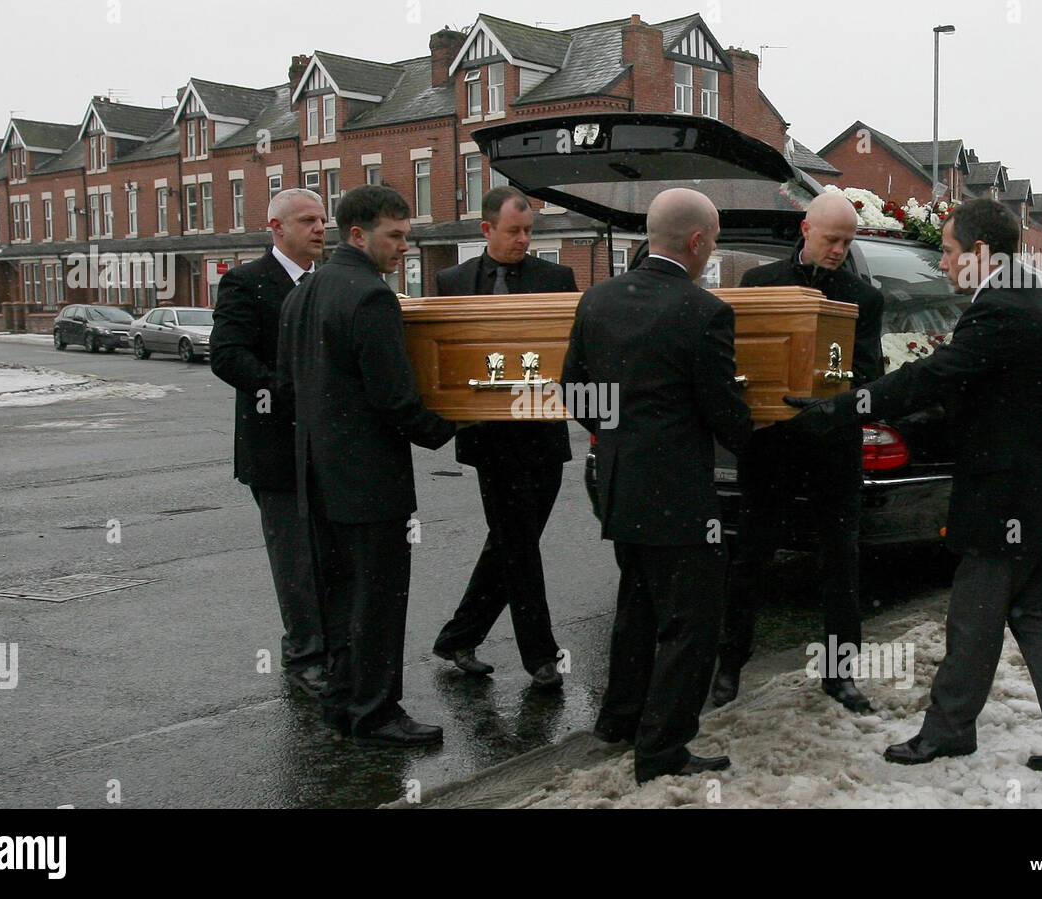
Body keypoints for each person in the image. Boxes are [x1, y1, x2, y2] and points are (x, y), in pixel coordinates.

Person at [785, 198, 1042, 776]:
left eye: (952, 250)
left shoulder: (1002, 310)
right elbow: (971, 394)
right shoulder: (1023, 302)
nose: (944, 262)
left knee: (974, 619)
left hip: (1015, 501)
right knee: (1034, 613)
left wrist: (840, 410)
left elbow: (934, 376)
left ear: (982, 253)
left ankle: (950, 731)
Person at [562, 187, 754, 784]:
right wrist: (763, 433)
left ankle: (618, 719)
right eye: (714, 241)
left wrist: (621, 436)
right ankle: (663, 748)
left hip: (618, 484)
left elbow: (575, 392)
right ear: (697, 242)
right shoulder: (704, 313)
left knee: (637, 606)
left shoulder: (597, 299)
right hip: (680, 493)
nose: (712, 250)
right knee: (690, 624)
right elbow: (725, 416)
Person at [276, 185, 456, 747]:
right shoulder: (372, 297)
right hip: (368, 482)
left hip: (317, 476)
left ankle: (342, 701)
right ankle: (376, 712)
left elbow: (289, 383)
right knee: (376, 601)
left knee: (339, 598)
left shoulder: (305, 292)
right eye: (395, 235)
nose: (404, 247)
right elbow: (394, 400)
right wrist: (455, 425)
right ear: (358, 235)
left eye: (407, 235)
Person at [712, 190, 885, 712]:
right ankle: (729, 665)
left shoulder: (862, 298)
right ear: (806, 230)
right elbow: (743, 361)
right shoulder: (759, 284)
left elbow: (871, 375)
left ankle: (840, 674)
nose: (839, 250)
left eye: (847, 242)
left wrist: (834, 399)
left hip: (833, 446)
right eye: (832, 239)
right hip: (772, 444)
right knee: (752, 558)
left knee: (842, 559)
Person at [431, 186, 577, 689]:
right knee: (517, 544)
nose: (523, 240)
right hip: (488, 438)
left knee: (512, 543)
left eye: (529, 231)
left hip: (542, 432)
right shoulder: (451, 282)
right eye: (514, 231)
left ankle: (457, 638)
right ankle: (540, 655)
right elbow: (444, 354)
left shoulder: (556, 279)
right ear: (486, 229)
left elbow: (567, 352)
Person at [211, 188, 329, 697]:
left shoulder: (326, 284)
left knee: (329, 553)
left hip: (329, 446)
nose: (320, 228)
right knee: (295, 557)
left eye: (323, 219)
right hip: (275, 447)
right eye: (307, 220)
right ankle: (305, 655)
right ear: (277, 228)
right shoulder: (246, 282)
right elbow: (227, 355)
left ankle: (332, 646)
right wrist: (285, 391)